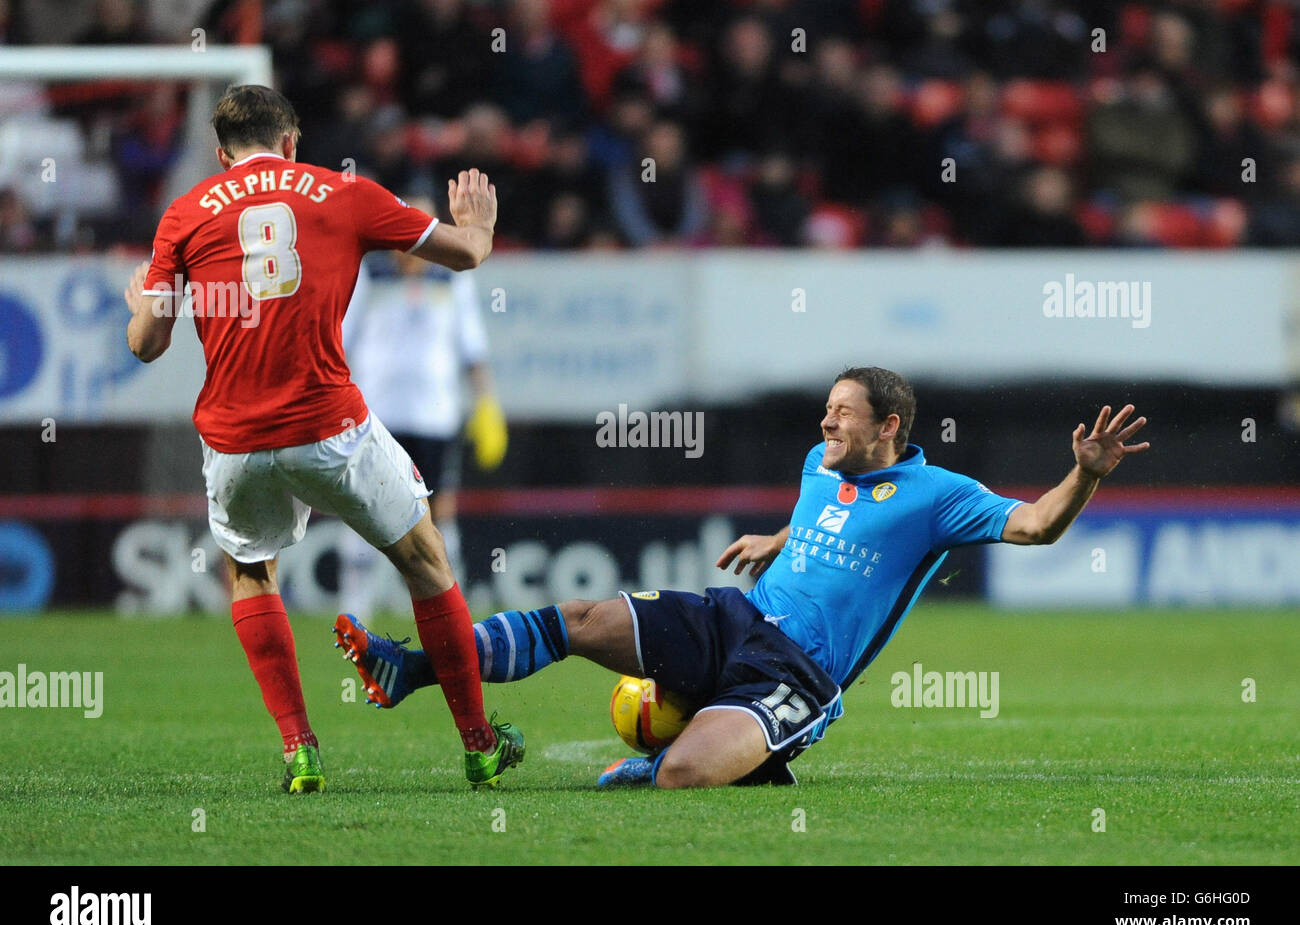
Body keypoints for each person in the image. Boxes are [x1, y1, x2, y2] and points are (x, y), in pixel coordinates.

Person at [335, 366, 1148, 788]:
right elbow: (830, 514)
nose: (826, 421)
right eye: (826, 409)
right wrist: (781, 535)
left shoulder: (940, 497)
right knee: (579, 618)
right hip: (736, 618)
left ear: (888, 425)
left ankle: (715, 759)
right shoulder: (818, 466)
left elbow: (1037, 526)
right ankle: (409, 668)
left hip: (797, 673)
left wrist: (1087, 475)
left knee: (684, 774)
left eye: (842, 411)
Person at [123, 84, 523, 794]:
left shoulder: (184, 214)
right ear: (291, 144)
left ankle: (300, 749)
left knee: (250, 572)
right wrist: (481, 227)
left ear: (220, 155)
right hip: (329, 428)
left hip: (236, 439)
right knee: (427, 562)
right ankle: (478, 743)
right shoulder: (346, 193)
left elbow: (147, 344)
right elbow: (463, 255)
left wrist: (138, 307)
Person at [338, 200, 507, 615]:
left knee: (437, 513)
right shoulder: (369, 274)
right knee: (365, 504)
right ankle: (354, 607)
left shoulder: (450, 279)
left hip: (435, 417)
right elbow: (340, 340)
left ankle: (449, 602)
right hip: (375, 416)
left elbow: (472, 348)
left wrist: (486, 402)